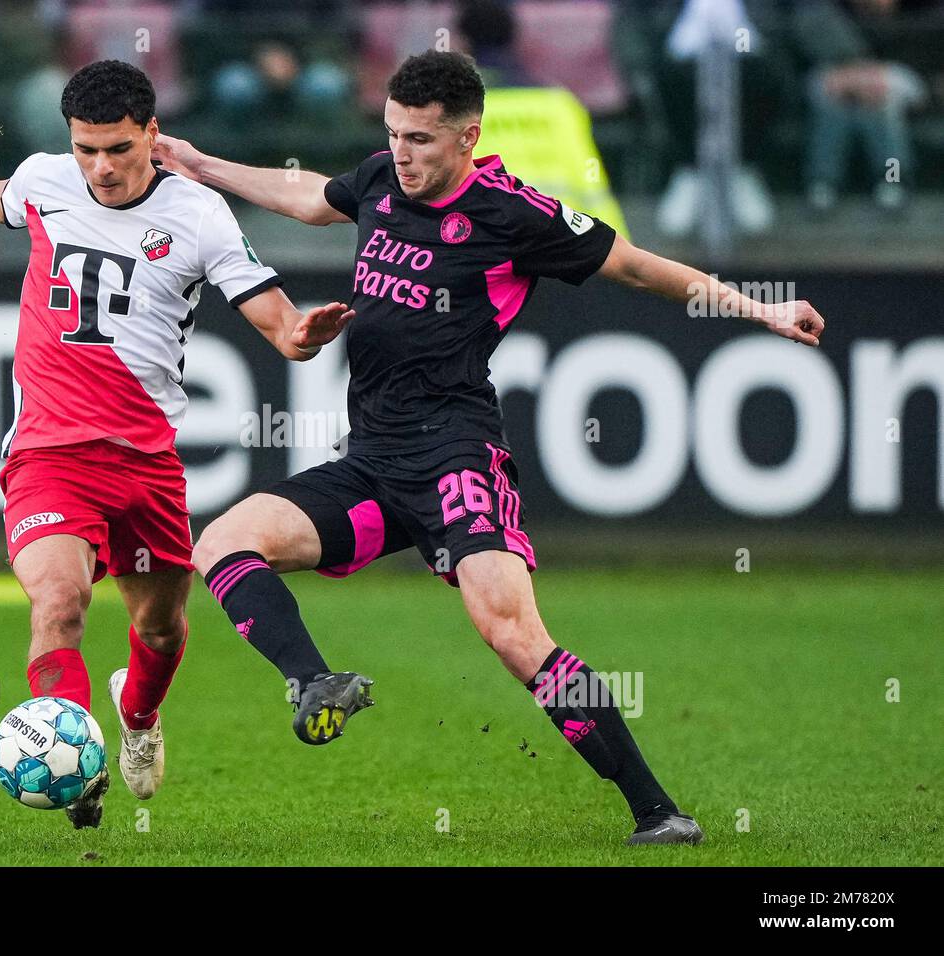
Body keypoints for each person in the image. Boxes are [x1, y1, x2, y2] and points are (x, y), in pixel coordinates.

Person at [153, 50, 825, 845]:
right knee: (225, 542)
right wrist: (203, 164)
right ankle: (314, 681)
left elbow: (638, 268)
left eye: (423, 140)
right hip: (371, 463)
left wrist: (763, 311)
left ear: (468, 136)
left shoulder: (517, 215)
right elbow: (307, 197)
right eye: (394, 134)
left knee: (510, 632)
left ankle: (658, 812)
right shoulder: (380, 178)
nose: (402, 153)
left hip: (454, 459)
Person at [0, 60, 353, 828]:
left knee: (159, 627)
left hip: (145, 462)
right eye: (86, 149)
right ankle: (76, 767)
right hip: (49, 455)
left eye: (118, 148)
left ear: (153, 134)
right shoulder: (45, 180)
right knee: (60, 601)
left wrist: (301, 335)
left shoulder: (199, 216)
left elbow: (278, 321)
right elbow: (0, 200)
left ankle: (139, 719)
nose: (101, 167)